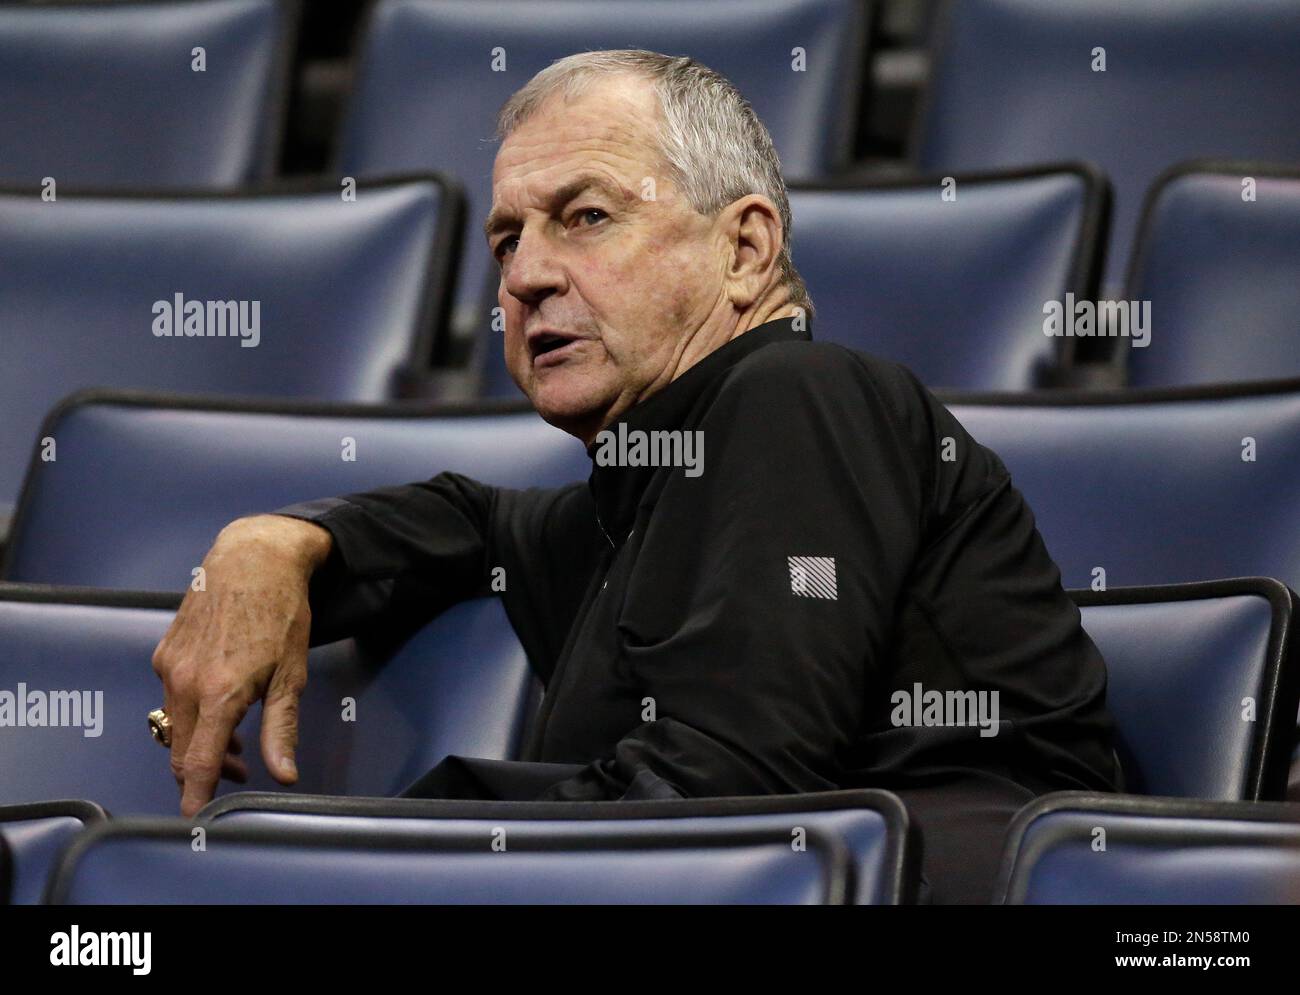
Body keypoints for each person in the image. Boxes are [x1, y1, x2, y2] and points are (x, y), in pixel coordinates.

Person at [151, 50, 1121, 903]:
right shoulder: (660, 474)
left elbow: (716, 799)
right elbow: (477, 525)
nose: (525, 274)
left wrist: (359, 860)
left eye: (584, 216)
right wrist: (274, 541)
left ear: (743, 249)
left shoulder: (801, 391)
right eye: (505, 239)